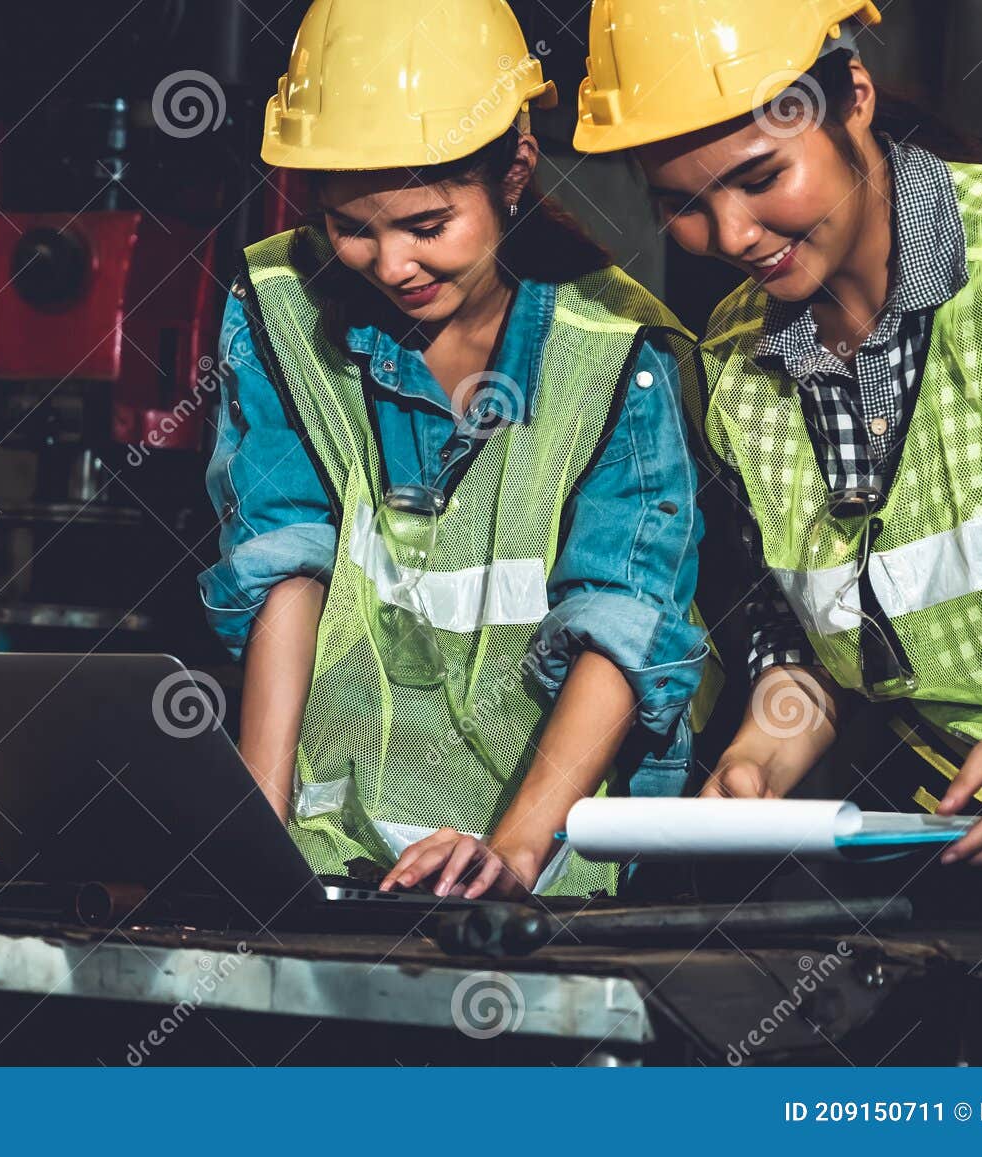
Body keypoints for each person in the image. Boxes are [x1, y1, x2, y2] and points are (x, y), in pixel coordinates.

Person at [573, 0, 982, 917]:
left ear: (854, 101)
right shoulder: (737, 359)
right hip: (954, 838)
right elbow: (815, 631)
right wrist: (763, 750)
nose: (733, 236)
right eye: (682, 204)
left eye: (762, 176)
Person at [197, 0, 713, 901]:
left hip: (547, 883)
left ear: (516, 167)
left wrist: (511, 856)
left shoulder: (616, 351)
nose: (391, 264)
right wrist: (255, 831)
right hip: (333, 864)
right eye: (351, 227)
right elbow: (283, 561)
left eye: (427, 225)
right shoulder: (279, 304)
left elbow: (626, 621)